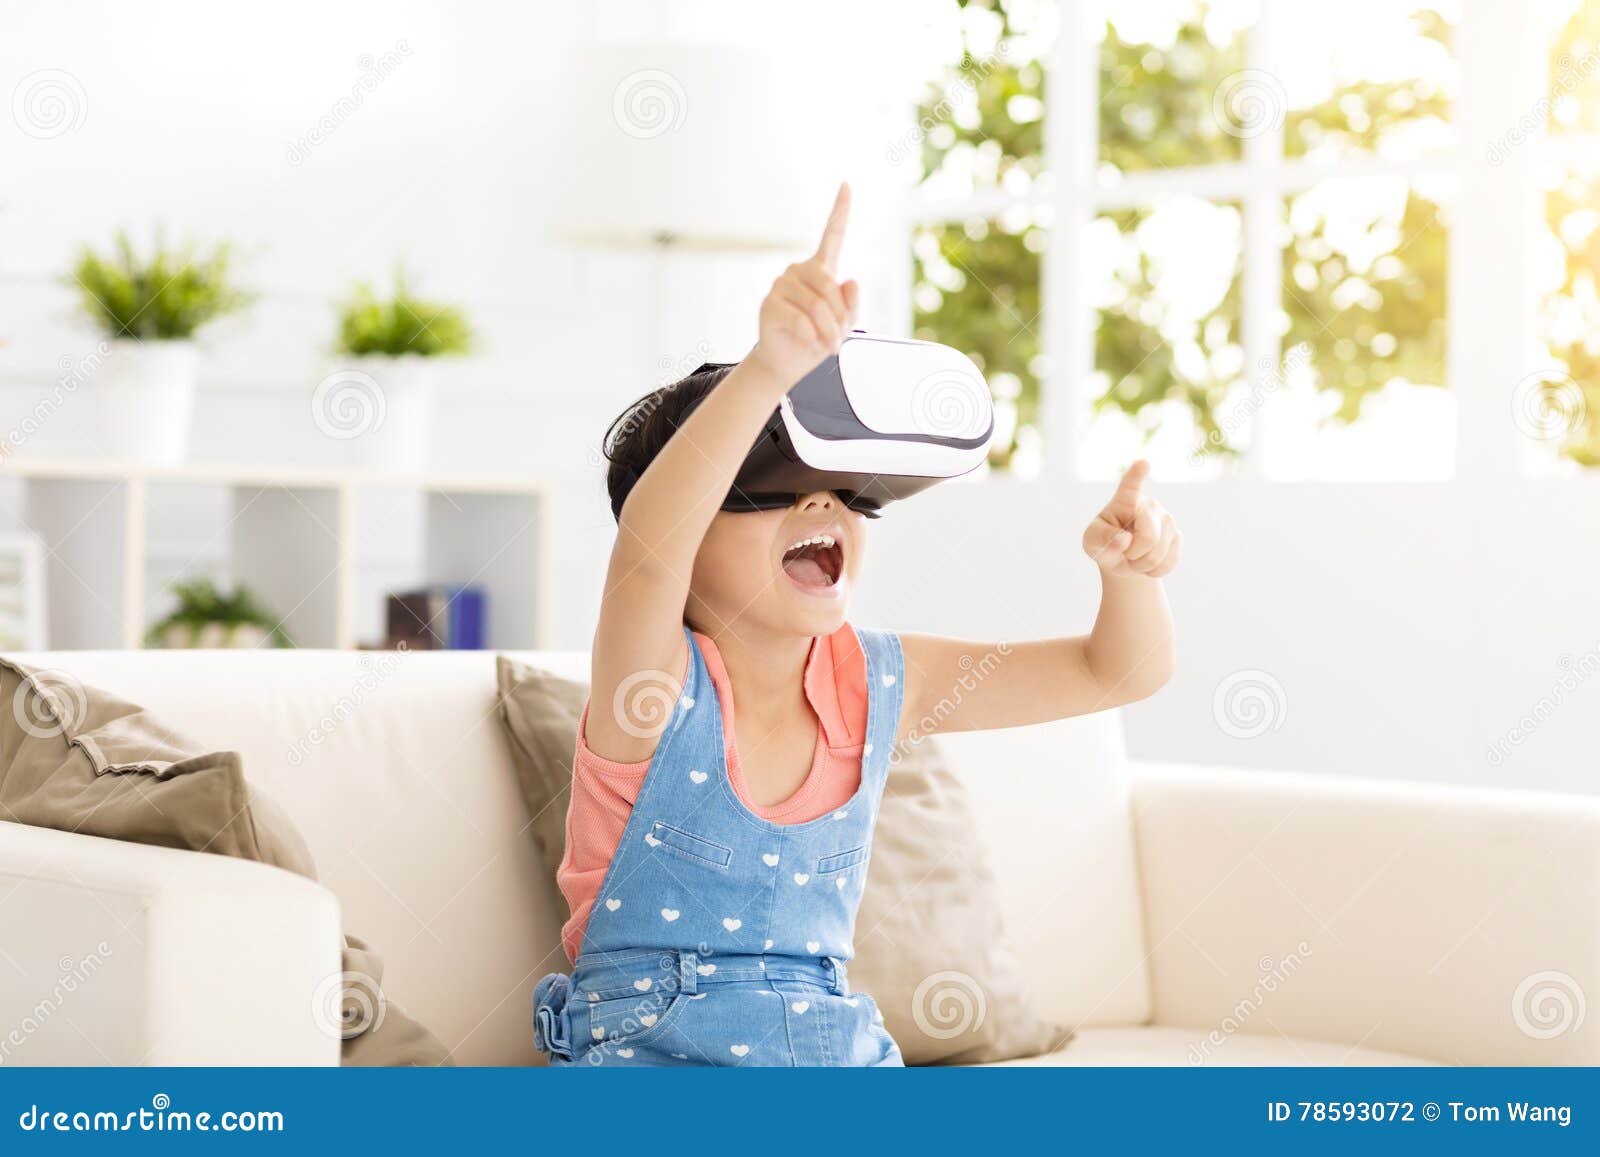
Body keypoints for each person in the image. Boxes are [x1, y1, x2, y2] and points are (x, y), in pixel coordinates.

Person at [533, 184, 1180, 1067]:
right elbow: (647, 553)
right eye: (772, 488)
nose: (819, 504)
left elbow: (1117, 673)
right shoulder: (649, 687)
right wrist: (770, 367)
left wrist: (1128, 578)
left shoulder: (879, 681)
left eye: (844, 494)